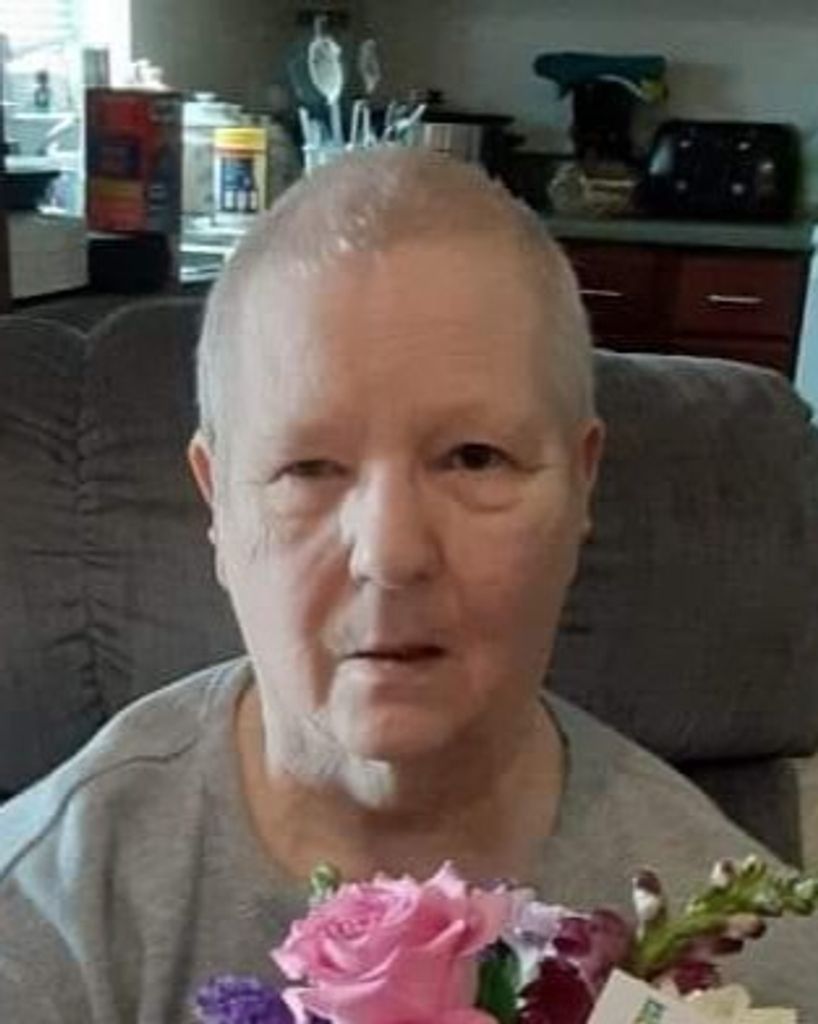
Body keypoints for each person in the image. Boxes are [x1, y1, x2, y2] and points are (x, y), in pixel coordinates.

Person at [0, 149, 815, 1022]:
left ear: (581, 489)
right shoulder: (47, 922)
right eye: (309, 468)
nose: (389, 553)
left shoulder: (742, 970)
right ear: (219, 507)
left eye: (474, 458)